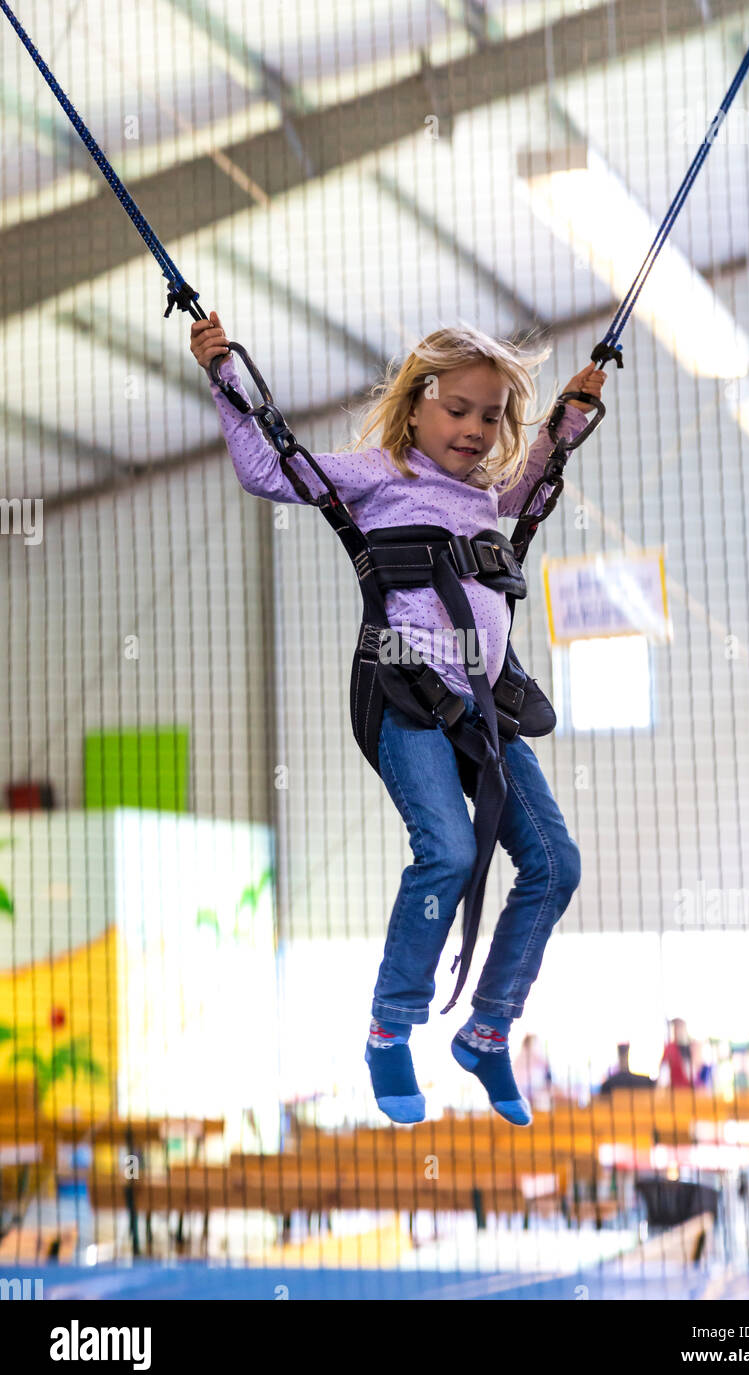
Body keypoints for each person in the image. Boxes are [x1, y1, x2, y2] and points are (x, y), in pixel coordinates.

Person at [192, 312, 606, 1127]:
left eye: (491, 417)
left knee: (556, 863)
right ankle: (391, 1027)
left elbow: (540, 473)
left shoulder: (488, 493)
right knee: (447, 852)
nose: (476, 430)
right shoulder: (378, 473)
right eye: (459, 410)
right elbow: (272, 472)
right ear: (417, 405)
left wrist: (570, 414)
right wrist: (223, 376)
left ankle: (487, 1031)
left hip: (484, 712)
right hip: (410, 698)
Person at [659, 1017, 695, 1089]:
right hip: (675, 1090)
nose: (678, 1030)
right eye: (676, 1028)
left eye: (680, 1027)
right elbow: (664, 1072)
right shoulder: (670, 1048)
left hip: (692, 1090)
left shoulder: (692, 1047)